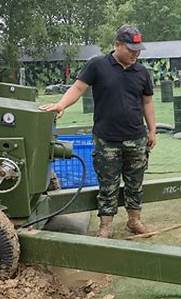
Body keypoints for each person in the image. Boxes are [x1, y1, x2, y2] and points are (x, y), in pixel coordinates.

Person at [40, 25, 156, 238]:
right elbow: (77, 88)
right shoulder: (97, 65)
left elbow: (147, 102)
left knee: (135, 183)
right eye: (131, 49)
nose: (135, 54)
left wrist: (152, 131)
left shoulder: (142, 72)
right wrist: (61, 105)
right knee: (108, 185)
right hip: (107, 140)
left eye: (138, 50)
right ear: (118, 45)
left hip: (136, 138)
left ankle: (134, 220)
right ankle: (106, 226)